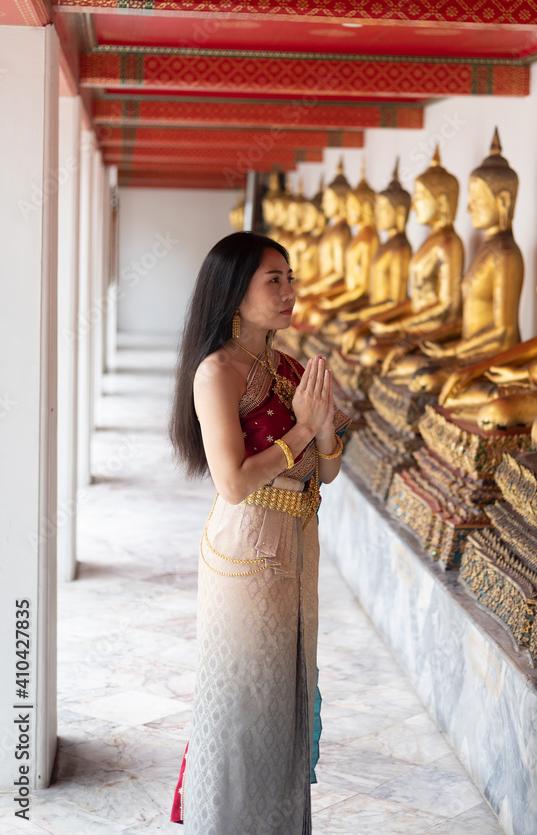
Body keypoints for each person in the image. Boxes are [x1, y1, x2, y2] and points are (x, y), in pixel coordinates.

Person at [168, 231, 349, 834]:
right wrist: (300, 431)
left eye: (290, 277)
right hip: (246, 550)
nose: (290, 291)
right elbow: (234, 482)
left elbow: (326, 471)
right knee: (244, 700)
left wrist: (323, 429)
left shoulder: (289, 366)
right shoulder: (216, 373)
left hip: (298, 543)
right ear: (235, 293)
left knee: (287, 699)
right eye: (275, 279)